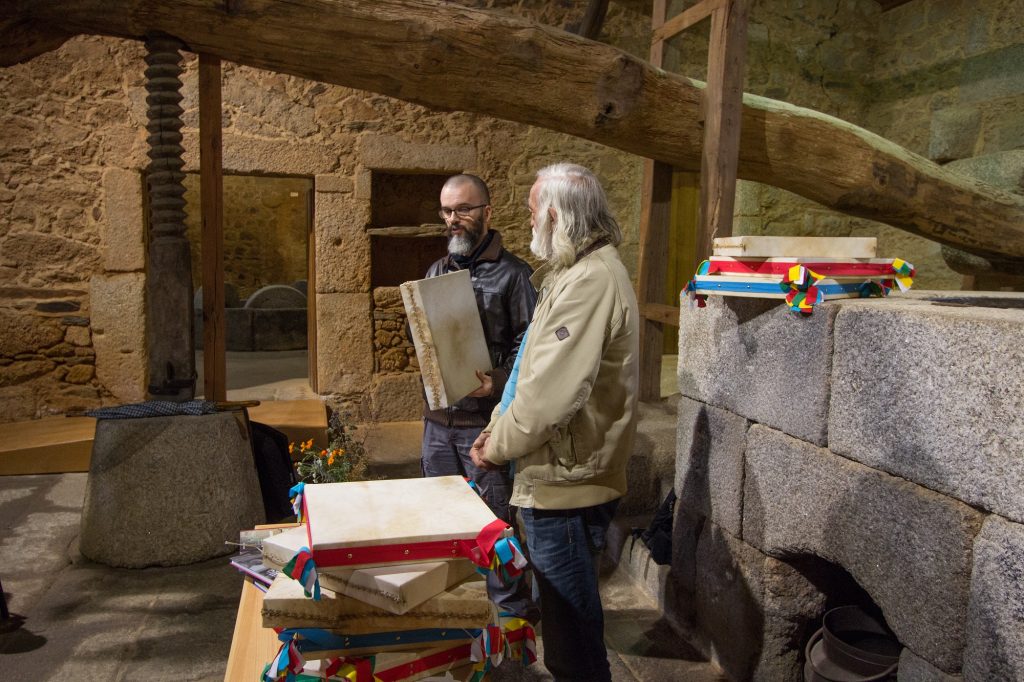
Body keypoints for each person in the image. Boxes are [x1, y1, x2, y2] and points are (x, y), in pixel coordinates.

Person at [470, 163, 639, 682]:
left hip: (567, 481)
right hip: (557, 473)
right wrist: (498, 426)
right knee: (565, 620)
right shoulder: (575, 271)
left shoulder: (591, 281)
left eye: (531, 212)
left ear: (554, 214)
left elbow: (547, 398)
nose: (527, 224)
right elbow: (529, 369)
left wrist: (495, 446)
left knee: (572, 636)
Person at [420, 173, 538, 619]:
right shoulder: (435, 271)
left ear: (487, 211)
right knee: (442, 522)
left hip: (482, 426)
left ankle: (512, 619)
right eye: (448, 211)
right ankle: (457, 615)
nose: (454, 219)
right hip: (437, 424)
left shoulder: (515, 275)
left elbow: (531, 350)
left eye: (464, 209)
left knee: (497, 528)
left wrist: (498, 378)